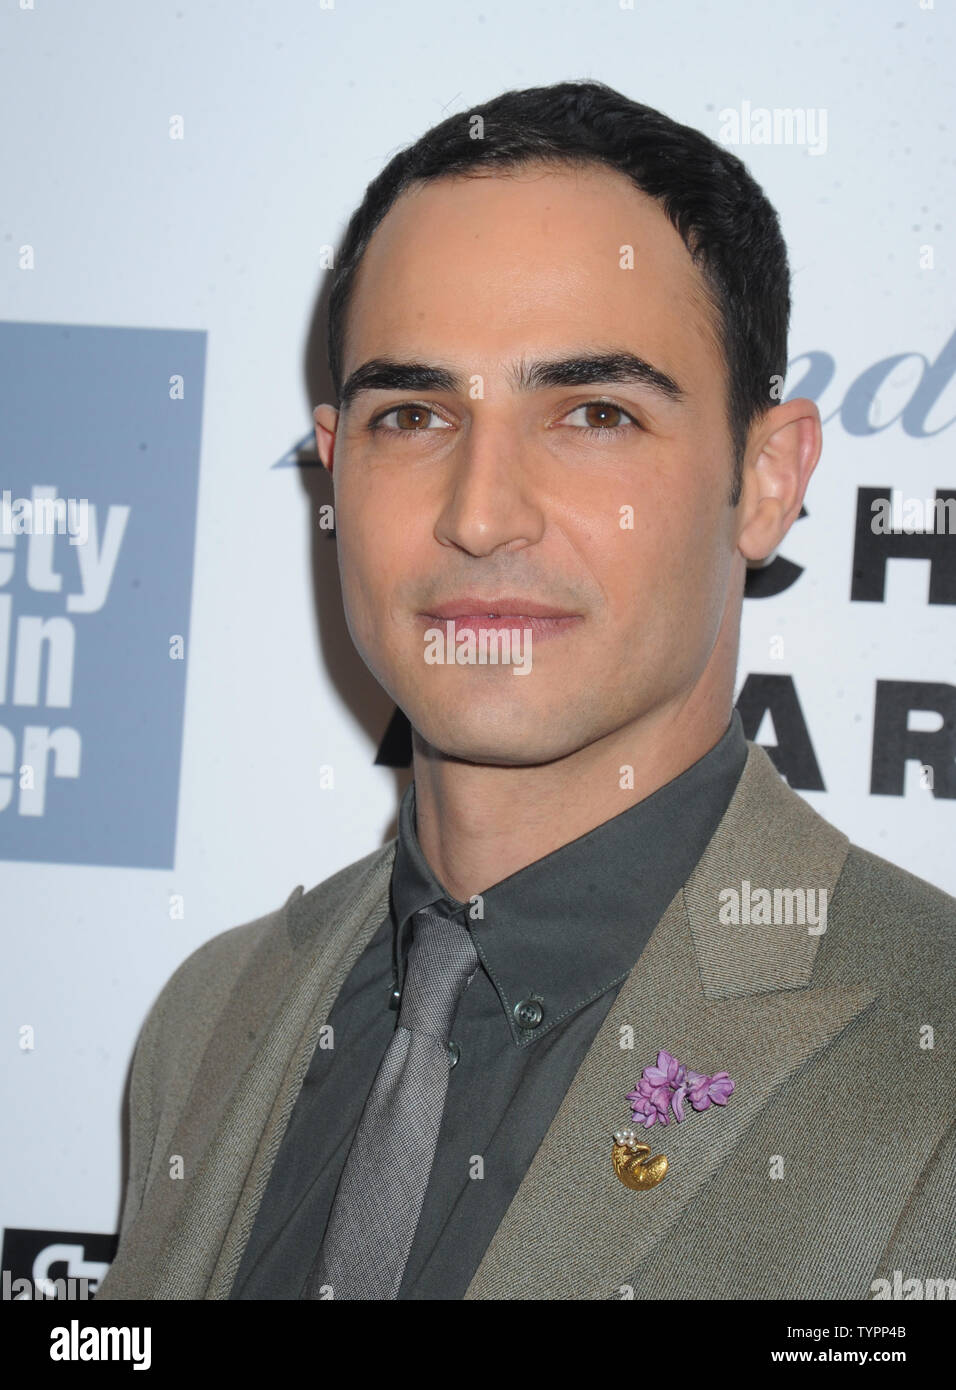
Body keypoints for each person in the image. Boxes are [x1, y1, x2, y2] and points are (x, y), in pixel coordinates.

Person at [95, 79, 956, 1302]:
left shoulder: (931, 1071)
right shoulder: (212, 1021)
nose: (479, 513)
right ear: (334, 470)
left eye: (593, 413)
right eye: (413, 415)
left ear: (765, 480)